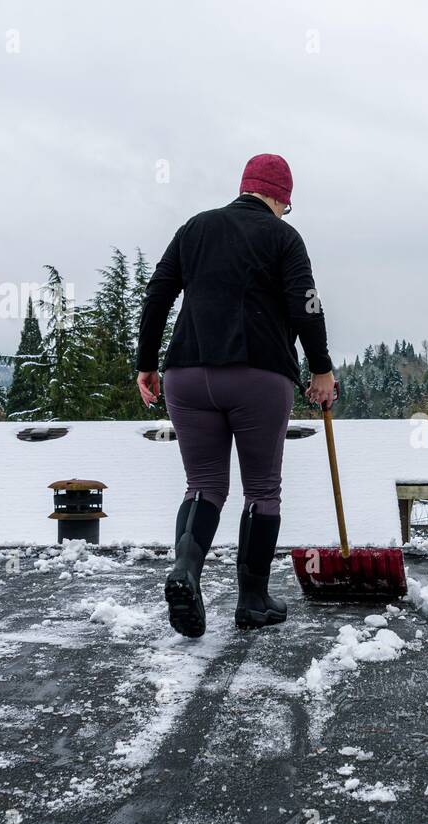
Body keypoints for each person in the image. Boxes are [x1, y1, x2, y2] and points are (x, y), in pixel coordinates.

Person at [134, 153, 336, 637]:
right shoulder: (284, 237)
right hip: (257, 374)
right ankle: (253, 599)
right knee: (262, 489)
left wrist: (146, 364)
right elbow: (306, 306)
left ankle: (186, 570)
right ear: (281, 198)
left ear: (244, 186)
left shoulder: (195, 228)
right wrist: (321, 369)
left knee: (203, 485)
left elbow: (157, 295)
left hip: (186, 372)